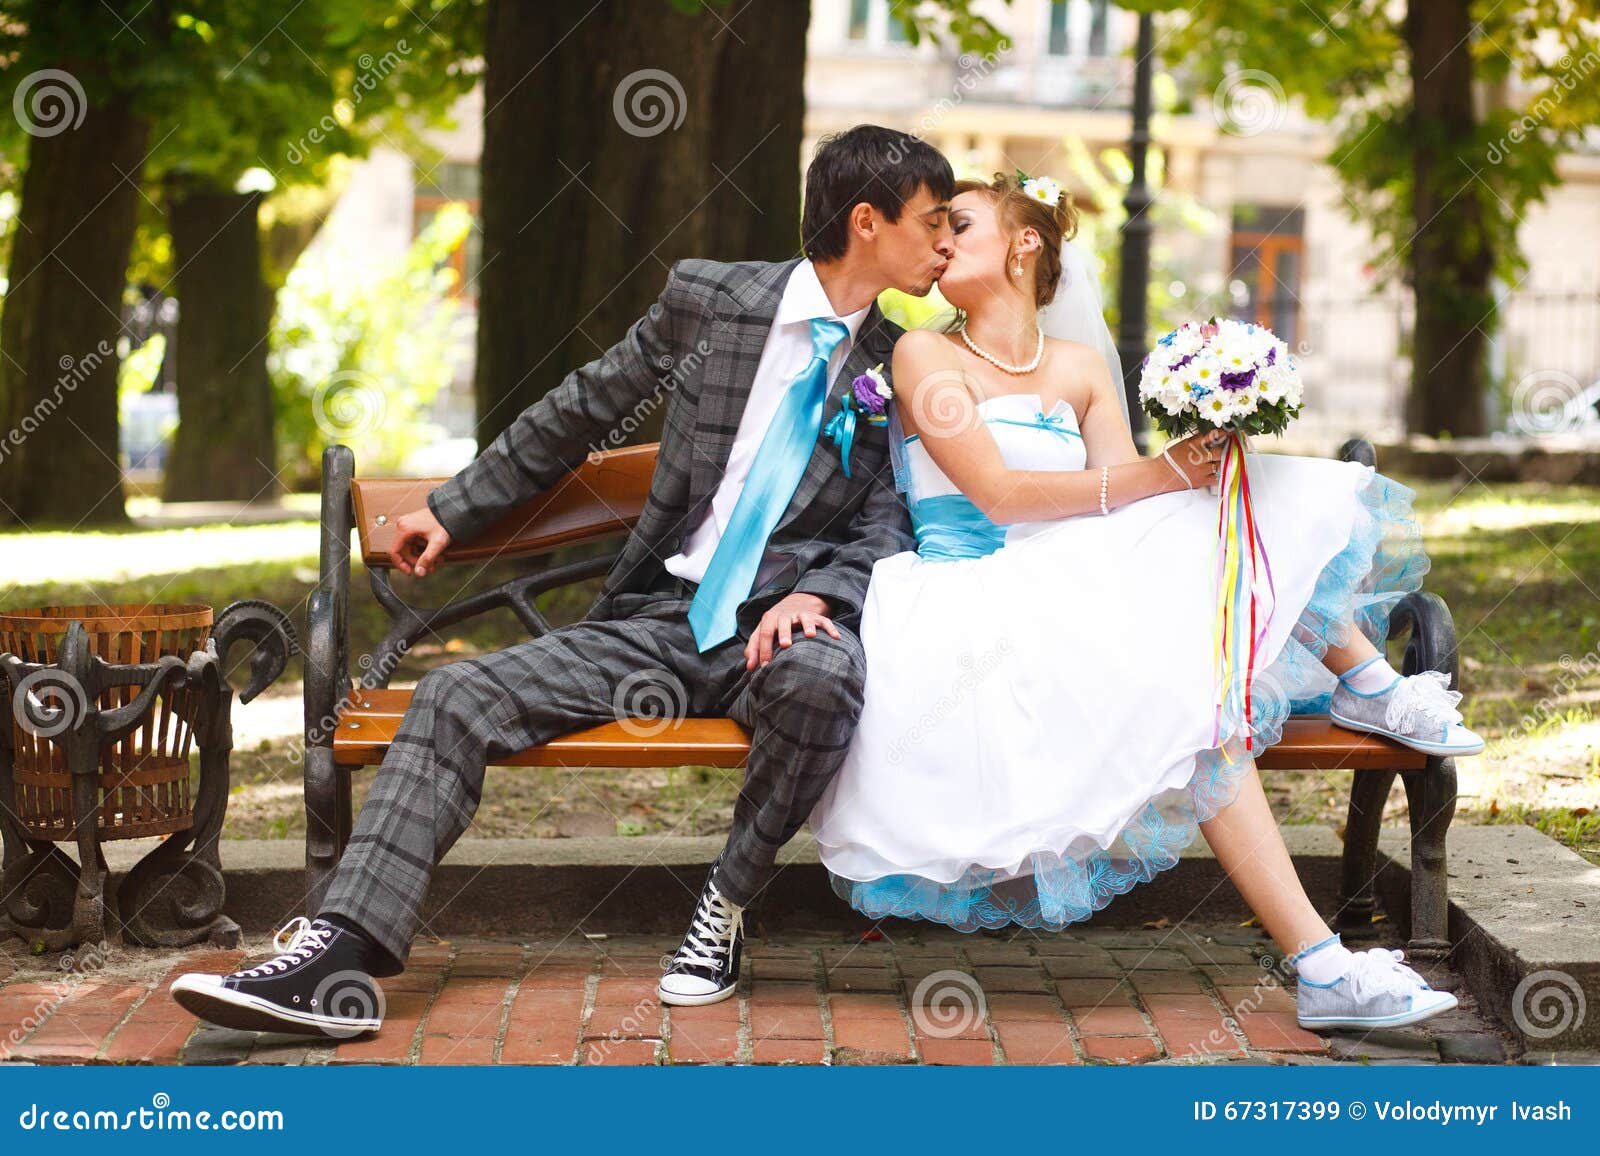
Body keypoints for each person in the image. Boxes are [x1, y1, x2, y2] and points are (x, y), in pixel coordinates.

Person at [169, 124, 957, 1034]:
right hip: (662, 622)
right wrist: (455, 506)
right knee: (456, 693)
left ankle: (724, 909)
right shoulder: (711, 300)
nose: (945, 243)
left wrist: (819, 594)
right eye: (933, 222)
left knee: (827, 683)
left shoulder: (897, 361)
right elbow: (584, 405)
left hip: (775, 636)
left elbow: (891, 517)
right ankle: (335, 959)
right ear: (867, 221)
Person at [807, 173, 1483, 1031]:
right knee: (1197, 679)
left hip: (1077, 591)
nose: (939, 242)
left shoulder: (1082, 367)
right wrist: (1167, 473)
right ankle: (1331, 912)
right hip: (968, 603)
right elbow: (1004, 496)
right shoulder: (924, 355)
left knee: (1228, 541)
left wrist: (1201, 464)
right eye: (934, 227)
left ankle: (1364, 724)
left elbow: (1127, 505)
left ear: (1024, 242)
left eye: (959, 224)